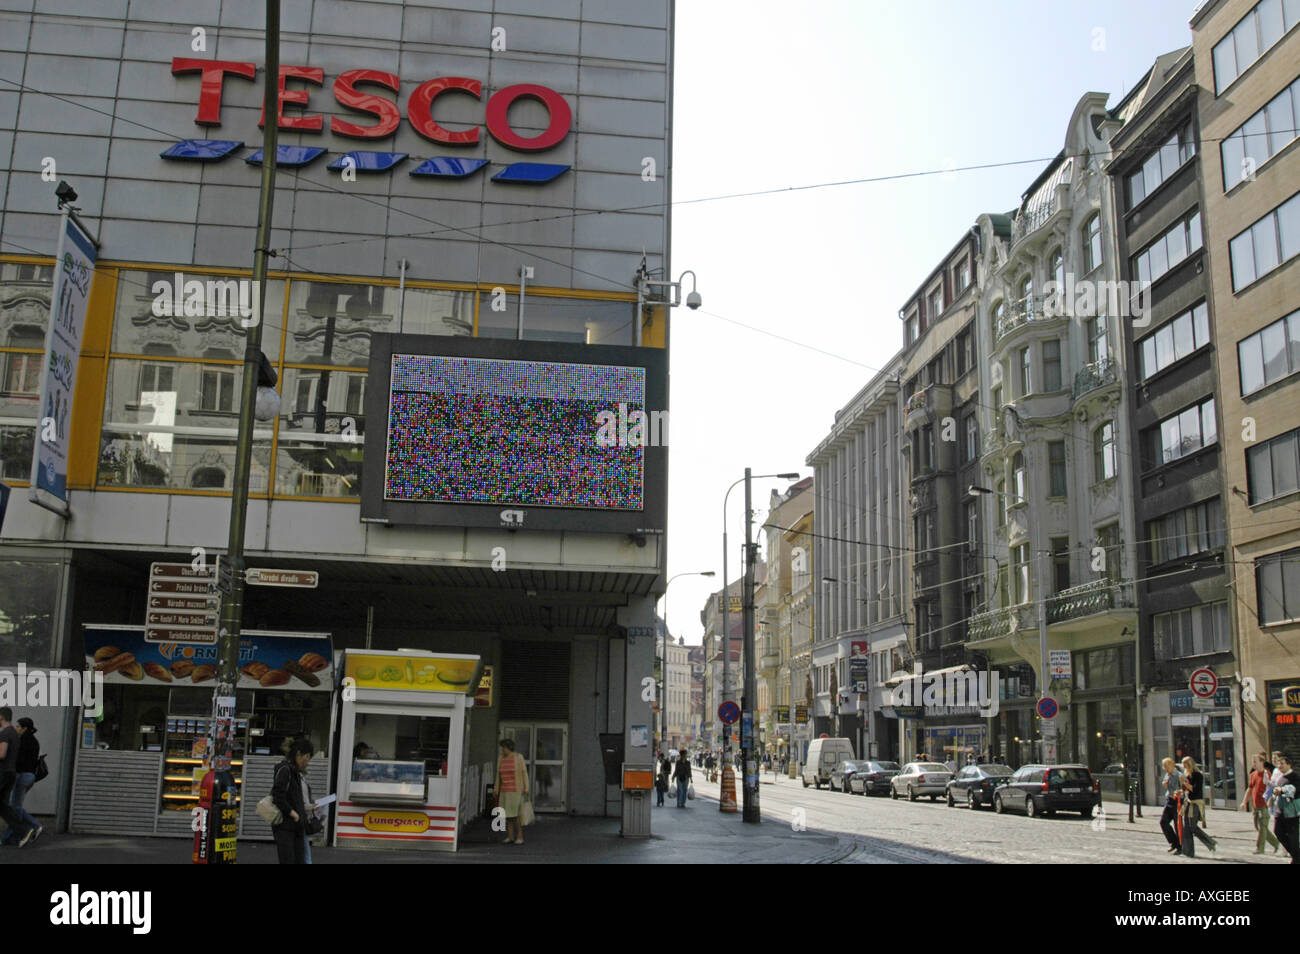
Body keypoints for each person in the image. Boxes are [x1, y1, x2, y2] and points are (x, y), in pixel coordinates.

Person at [270, 737, 313, 864]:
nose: (307, 762)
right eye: (307, 757)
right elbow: (278, 796)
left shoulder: (296, 772)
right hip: (285, 827)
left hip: (297, 827)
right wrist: (292, 813)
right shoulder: (285, 770)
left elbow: (295, 798)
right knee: (288, 860)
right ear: (298, 754)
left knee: (300, 860)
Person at [0, 708, 34, 847]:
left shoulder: (5, 734)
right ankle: (24, 830)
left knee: (4, 806)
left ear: (1, 717)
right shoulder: (14, 733)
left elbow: (2, 754)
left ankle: (24, 830)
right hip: (11, 773)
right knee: (3, 806)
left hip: (2, 773)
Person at [1240, 751, 1281, 855]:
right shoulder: (1253, 775)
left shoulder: (1267, 774)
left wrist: (1270, 801)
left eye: (1255, 761)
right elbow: (1249, 789)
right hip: (1256, 806)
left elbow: (1272, 789)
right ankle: (1276, 844)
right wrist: (1244, 802)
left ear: (1262, 762)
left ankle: (1260, 848)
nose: (1253, 764)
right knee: (1259, 827)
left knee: (1262, 827)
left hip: (1264, 806)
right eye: (1252, 762)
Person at [1180, 756, 1217, 857]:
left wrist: (1185, 784)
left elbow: (1195, 789)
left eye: (1185, 764)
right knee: (1186, 828)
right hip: (1188, 802)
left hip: (1196, 803)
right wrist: (1181, 789)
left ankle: (1211, 843)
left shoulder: (1198, 775)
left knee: (1192, 827)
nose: (1184, 767)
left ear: (1189, 764)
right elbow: (1186, 789)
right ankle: (1188, 852)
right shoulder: (1188, 775)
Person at [496, 738, 530, 845]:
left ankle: (520, 836)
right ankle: (510, 836)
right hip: (504, 791)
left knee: (516, 815)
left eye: (504, 748)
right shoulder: (500, 758)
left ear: (509, 748)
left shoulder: (518, 757)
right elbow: (498, 775)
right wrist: (496, 788)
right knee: (507, 815)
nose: (502, 750)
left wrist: (526, 788)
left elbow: (524, 773)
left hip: (516, 790)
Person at [1272, 754, 1300, 863]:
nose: (1279, 766)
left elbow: (1294, 789)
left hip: (1292, 813)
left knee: (1293, 838)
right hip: (1280, 812)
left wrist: (1282, 790)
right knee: (1278, 832)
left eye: (1282, 764)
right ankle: (1296, 856)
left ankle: (1296, 858)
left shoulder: (1294, 777)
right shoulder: (1281, 778)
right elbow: (1276, 790)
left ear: (1289, 765)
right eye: (1279, 764)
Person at [1158, 757, 1183, 853]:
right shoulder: (1167, 775)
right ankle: (1174, 842)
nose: (1165, 768)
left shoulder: (1179, 775)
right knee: (1163, 822)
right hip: (1169, 800)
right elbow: (1164, 784)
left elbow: (1184, 788)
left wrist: (1180, 793)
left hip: (1178, 802)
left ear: (1171, 765)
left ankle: (1180, 847)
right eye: (1164, 766)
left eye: (1166, 766)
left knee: (1178, 825)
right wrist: (1166, 782)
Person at [673, 743, 692, 807]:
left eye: (685, 755)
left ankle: (683, 803)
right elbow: (676, 770)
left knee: (684, 790)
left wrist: (691, 778)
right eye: (684, 755)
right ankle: (679, 803)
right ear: (681, 755)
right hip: (679, 777)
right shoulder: (678, 762)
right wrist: (673, 776)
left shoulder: (688, 763)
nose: (685, 756)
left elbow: (689, 770)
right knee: (680, 790)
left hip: (686, 777)